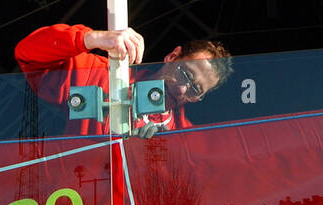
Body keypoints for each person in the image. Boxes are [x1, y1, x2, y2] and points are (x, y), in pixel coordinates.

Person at [14, 22, 232, 135]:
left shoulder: (183, 139)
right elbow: (29, 54)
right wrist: (91, 38)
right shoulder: (103, 76)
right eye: (185, 74)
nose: (183, 90)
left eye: (195, 90)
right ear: (172, 56)